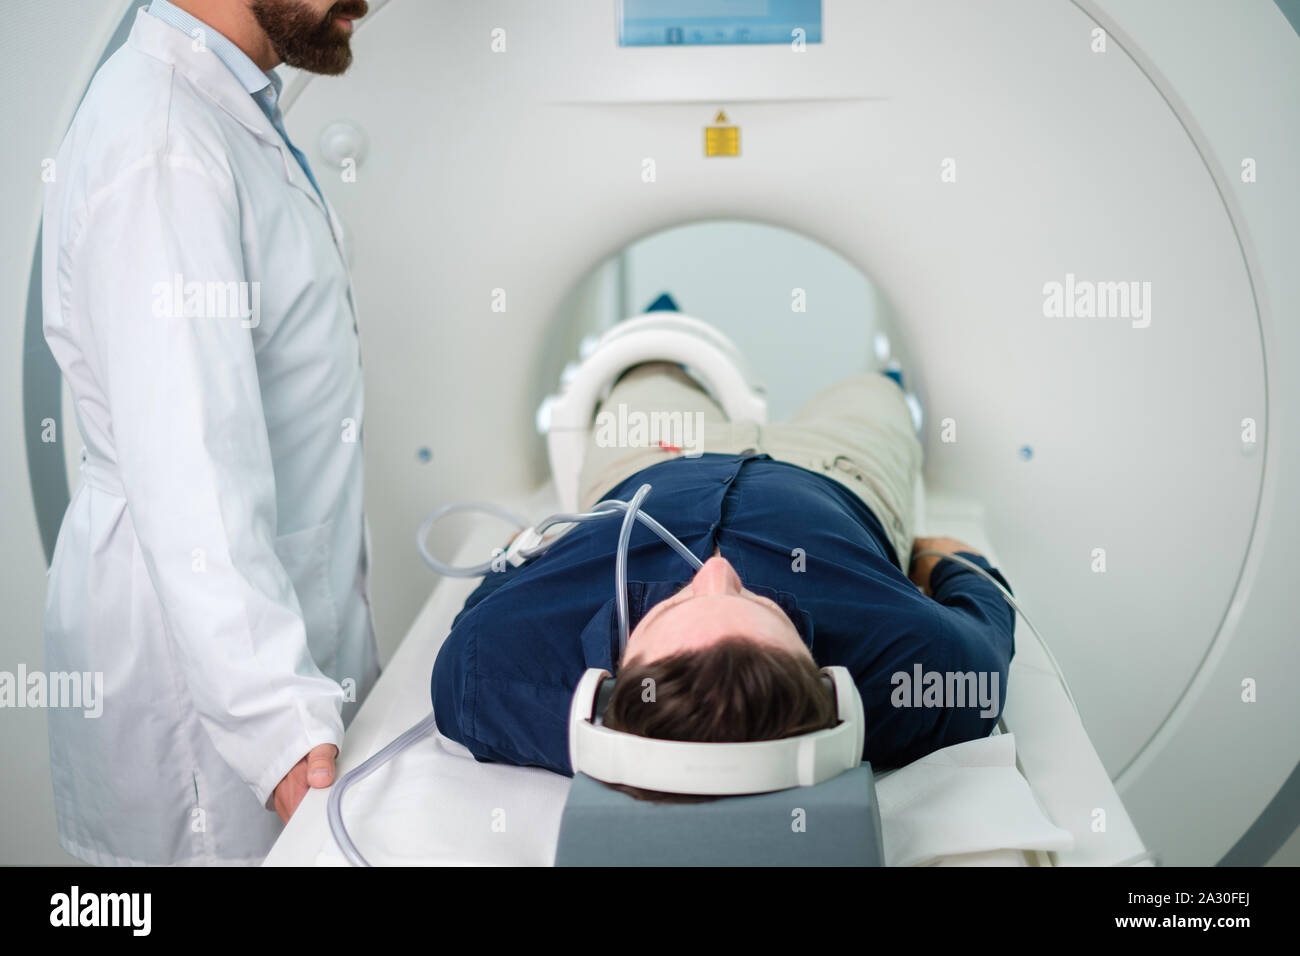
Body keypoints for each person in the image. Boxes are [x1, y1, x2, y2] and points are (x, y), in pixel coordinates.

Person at [42, 0, 377, 865]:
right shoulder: (162, 143)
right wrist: (282, 729)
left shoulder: (228, 108)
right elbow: (186, 468)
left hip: (269, 640)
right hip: (211, 683)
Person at [431, 349, 1017, 798]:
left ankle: (662, 319)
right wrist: (945, 562)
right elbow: (984, 614)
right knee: (874, 392)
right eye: (763, 607)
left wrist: (517, 555)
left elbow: (496, 586)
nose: (715, 570)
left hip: (652, 453)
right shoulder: (914, 677)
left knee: (648, 363)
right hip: (844, 466)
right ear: (829, 684)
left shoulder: (486, 678)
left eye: (674, 608)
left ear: (606, 688)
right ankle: (883, 372)